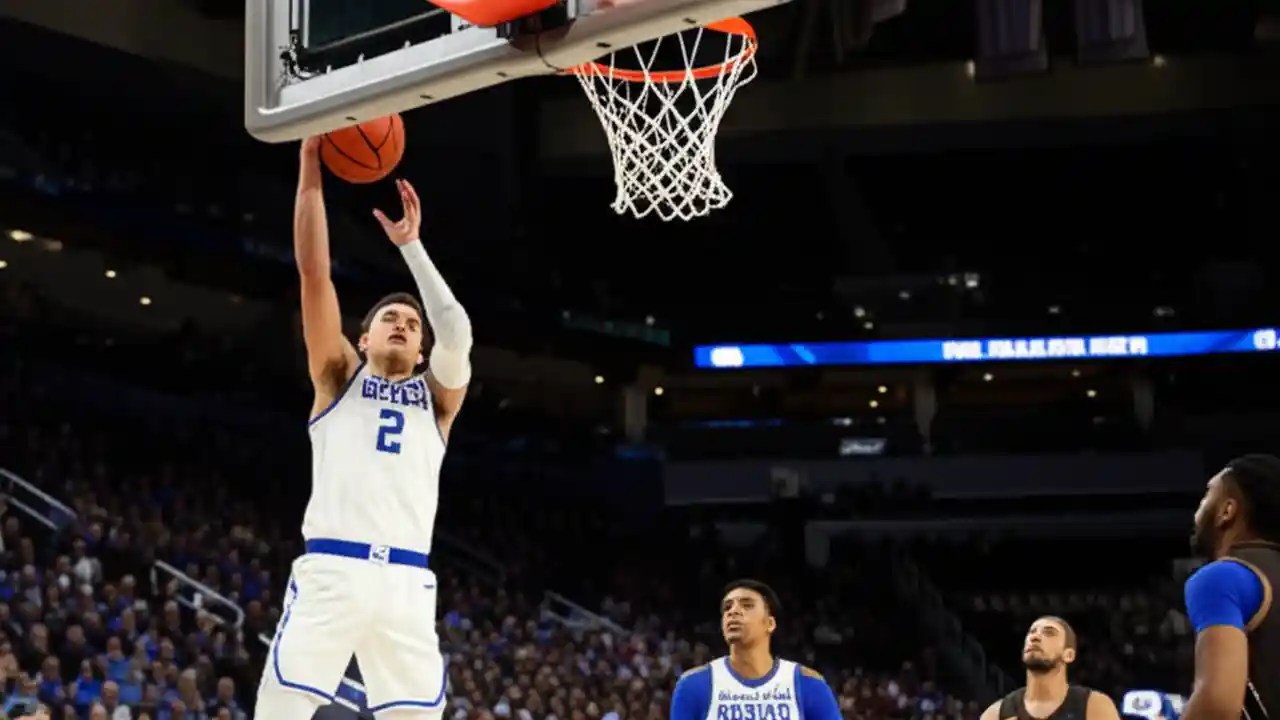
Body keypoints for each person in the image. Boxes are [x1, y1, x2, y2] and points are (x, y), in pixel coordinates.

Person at [254, 137, 473, 719]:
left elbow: (458, 332)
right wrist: (308, 172)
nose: (402, 324)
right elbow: (313, 274)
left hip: (405, 581)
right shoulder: (336, 377)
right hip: (334, 568)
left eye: (410, 323)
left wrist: (413, 248)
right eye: (388, 319)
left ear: (422, 348)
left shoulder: (439, 400)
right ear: (363, 338)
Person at [1183, 454, 1280, 720]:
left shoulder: (1223, 577)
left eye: (1207, 496)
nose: (1198, 509)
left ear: (1227, 511)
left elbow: (1217, 706)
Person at [669, 579, 841, 720]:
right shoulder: (693, 685)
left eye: (747, 605)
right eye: (727, 607)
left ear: (770, 623)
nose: (733, 611)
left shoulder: (808, 683)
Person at [980, 616, 1120, 720]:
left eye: (1049, 633)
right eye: (1031, 632)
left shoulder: (1094, 705)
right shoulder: (996, 714)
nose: (1034, 637)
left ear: (1069, 655)